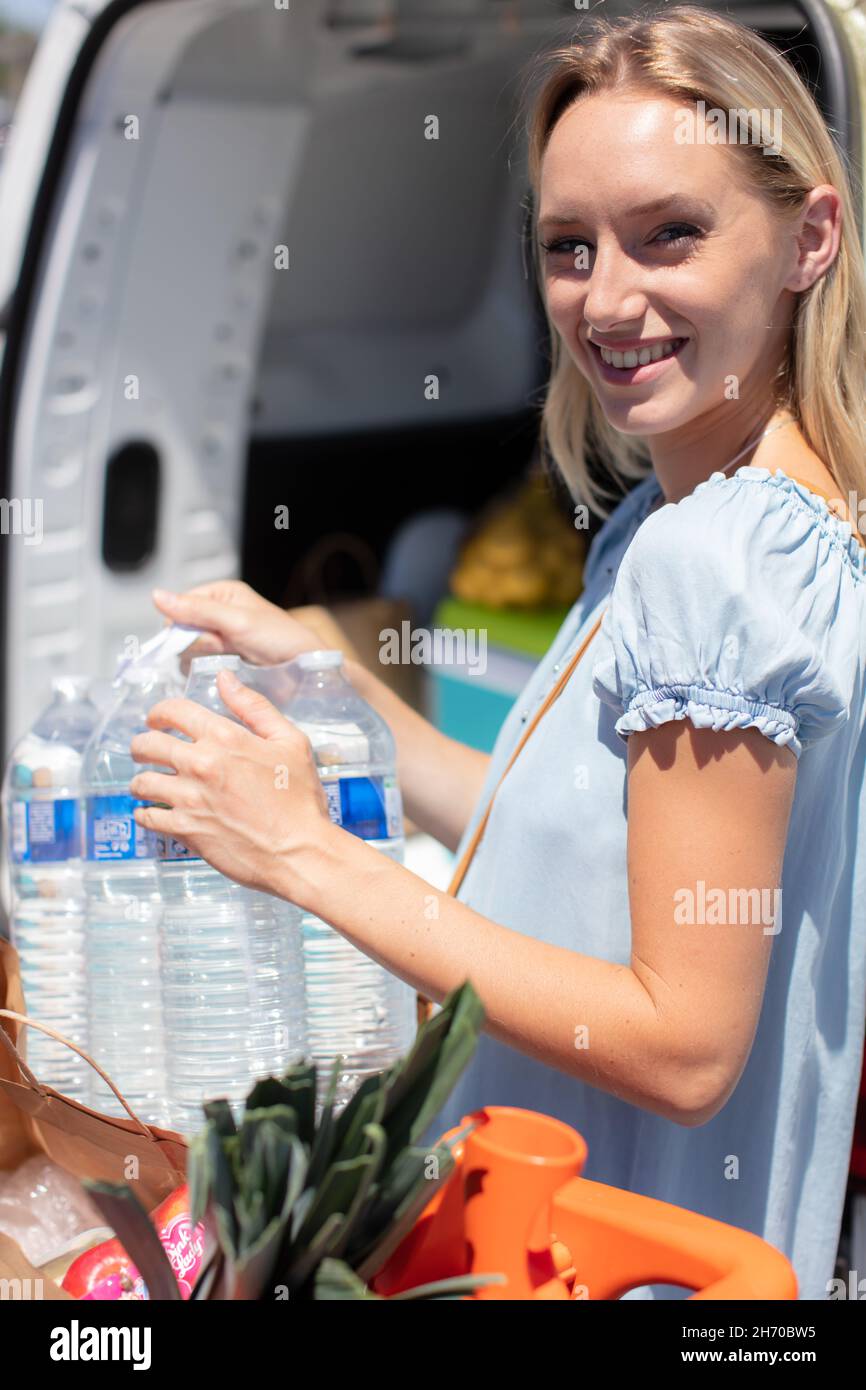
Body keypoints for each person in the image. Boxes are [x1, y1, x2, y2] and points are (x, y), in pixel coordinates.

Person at [129, 7, 866, 1299]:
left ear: (808, 238)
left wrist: (305, 856)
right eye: (567, 247)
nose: (607, 296)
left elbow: (682, 1044)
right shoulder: (717, 517)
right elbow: (588, 839)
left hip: (617, 1248)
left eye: (668, 234)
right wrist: (340, 688)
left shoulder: (716, 563)